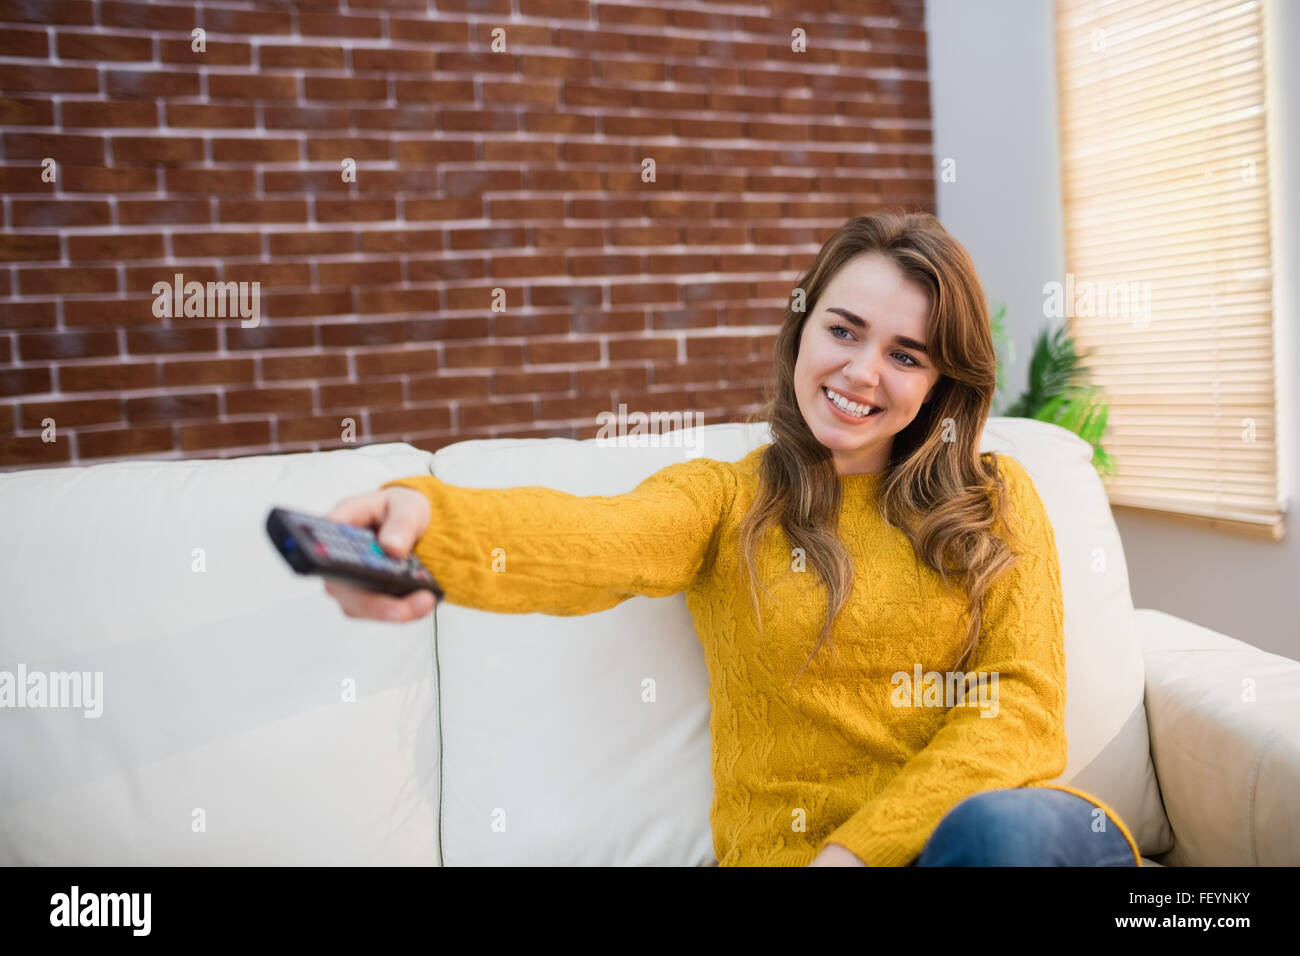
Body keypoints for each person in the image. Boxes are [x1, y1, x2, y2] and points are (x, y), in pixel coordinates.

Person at [321, 210, 1142, 868]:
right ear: (802, 330)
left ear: (937, 386)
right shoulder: (729, 500)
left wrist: (856, 853)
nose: (861, 372)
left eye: (905, 354)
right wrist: (428, 522)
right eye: (844, 331)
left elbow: (1019, 712)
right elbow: (592, 537)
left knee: (995, 838)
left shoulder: (992, 499)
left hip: (996, 845)